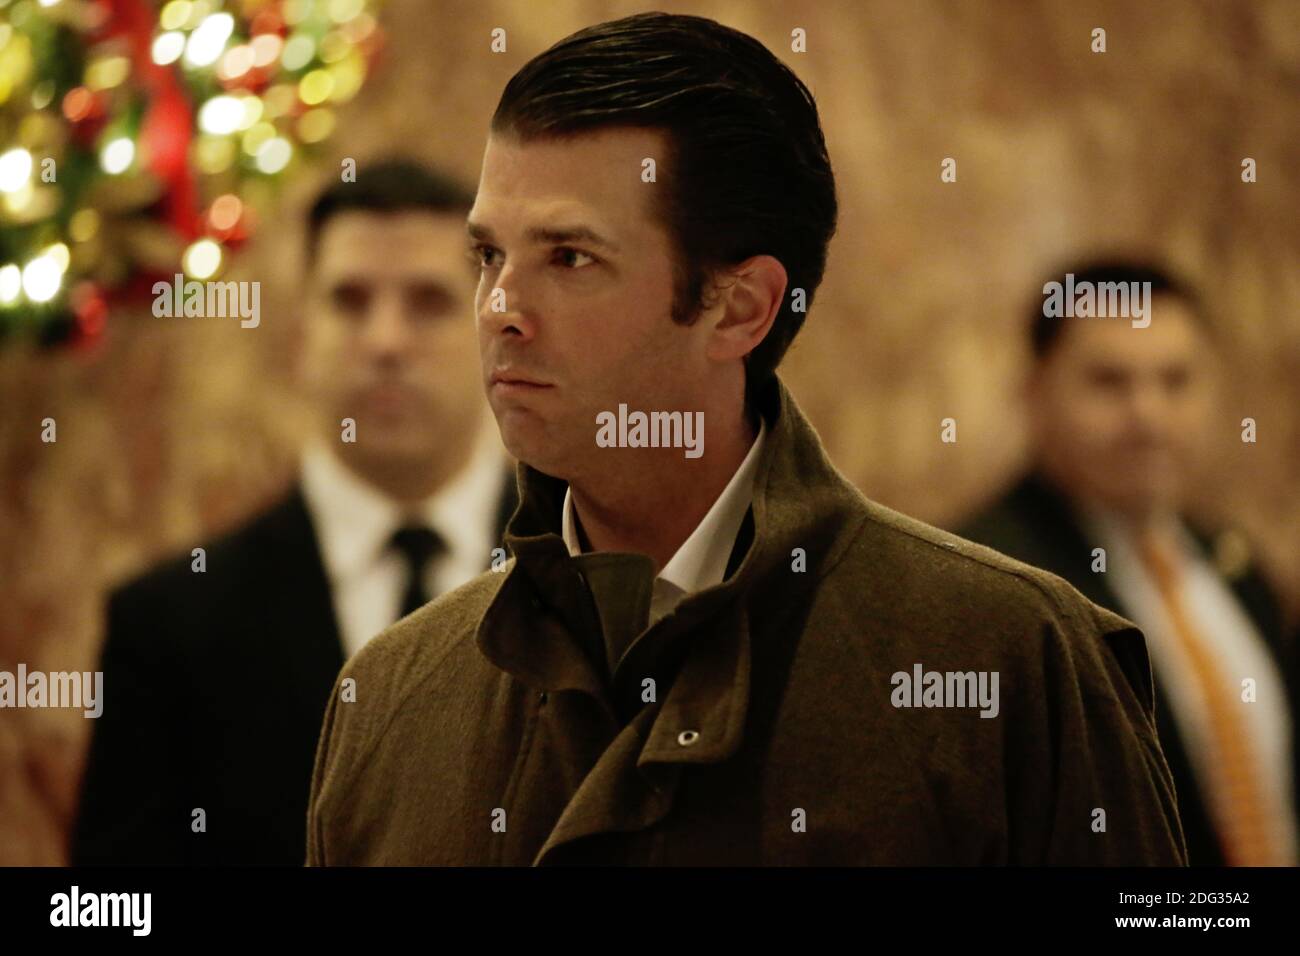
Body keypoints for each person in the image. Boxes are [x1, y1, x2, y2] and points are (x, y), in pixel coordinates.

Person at [306, 13, 1186, 866]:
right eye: (489, 256)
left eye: (569, 258)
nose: (501, 310)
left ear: (740, 308)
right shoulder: (391, 699)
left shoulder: (1009, 664)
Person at [72, 161, 517, 865]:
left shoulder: (592, 582)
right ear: (300, 334)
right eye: (350, 300)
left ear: (495, 331)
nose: (386, 341)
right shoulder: (168, 627)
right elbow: (109, 907)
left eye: (429, 301)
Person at [958, 260, 1298, 866]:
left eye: (1175, 380)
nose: (1148, 416)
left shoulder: (1235, 565)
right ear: (1034, 393)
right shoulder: (984, 581)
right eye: (1109, 382)